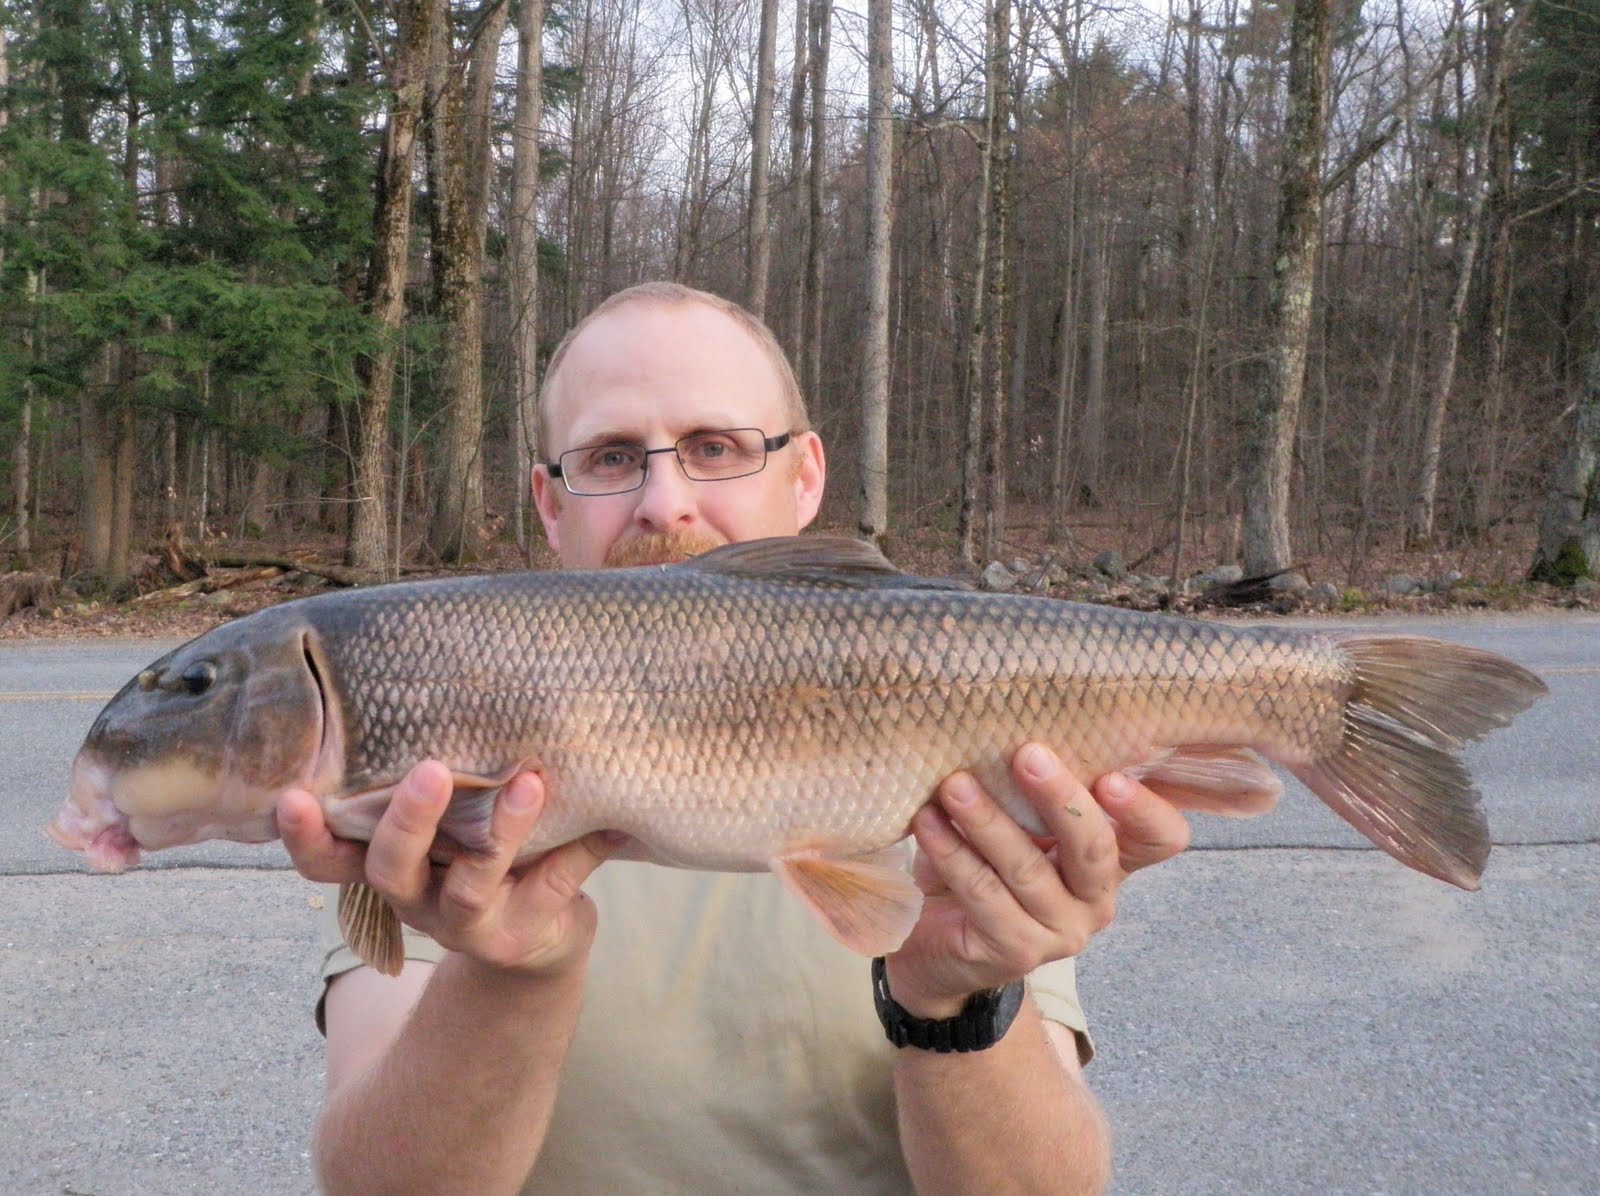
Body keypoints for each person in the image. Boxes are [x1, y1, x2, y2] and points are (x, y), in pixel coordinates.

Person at [278, 282, 1192, 1194]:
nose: (663, 502)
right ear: (549, 505)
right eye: (608, 457)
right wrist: (508, 973)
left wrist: (954, 1001)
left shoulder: (958, 730)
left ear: (806, 477)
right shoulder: (443, 772)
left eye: (716, 448)